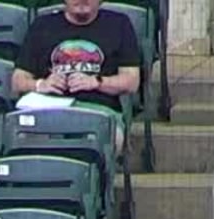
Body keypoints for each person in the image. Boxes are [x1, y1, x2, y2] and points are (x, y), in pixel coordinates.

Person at [11, 0, 141, 155]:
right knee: (23, 137)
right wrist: (41, 84)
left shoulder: (119, 24)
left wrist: (97, 82)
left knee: (108, 141)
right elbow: (17, 80)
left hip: (98, 111)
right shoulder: (42, 26)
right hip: (50, 110)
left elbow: (132, 80)